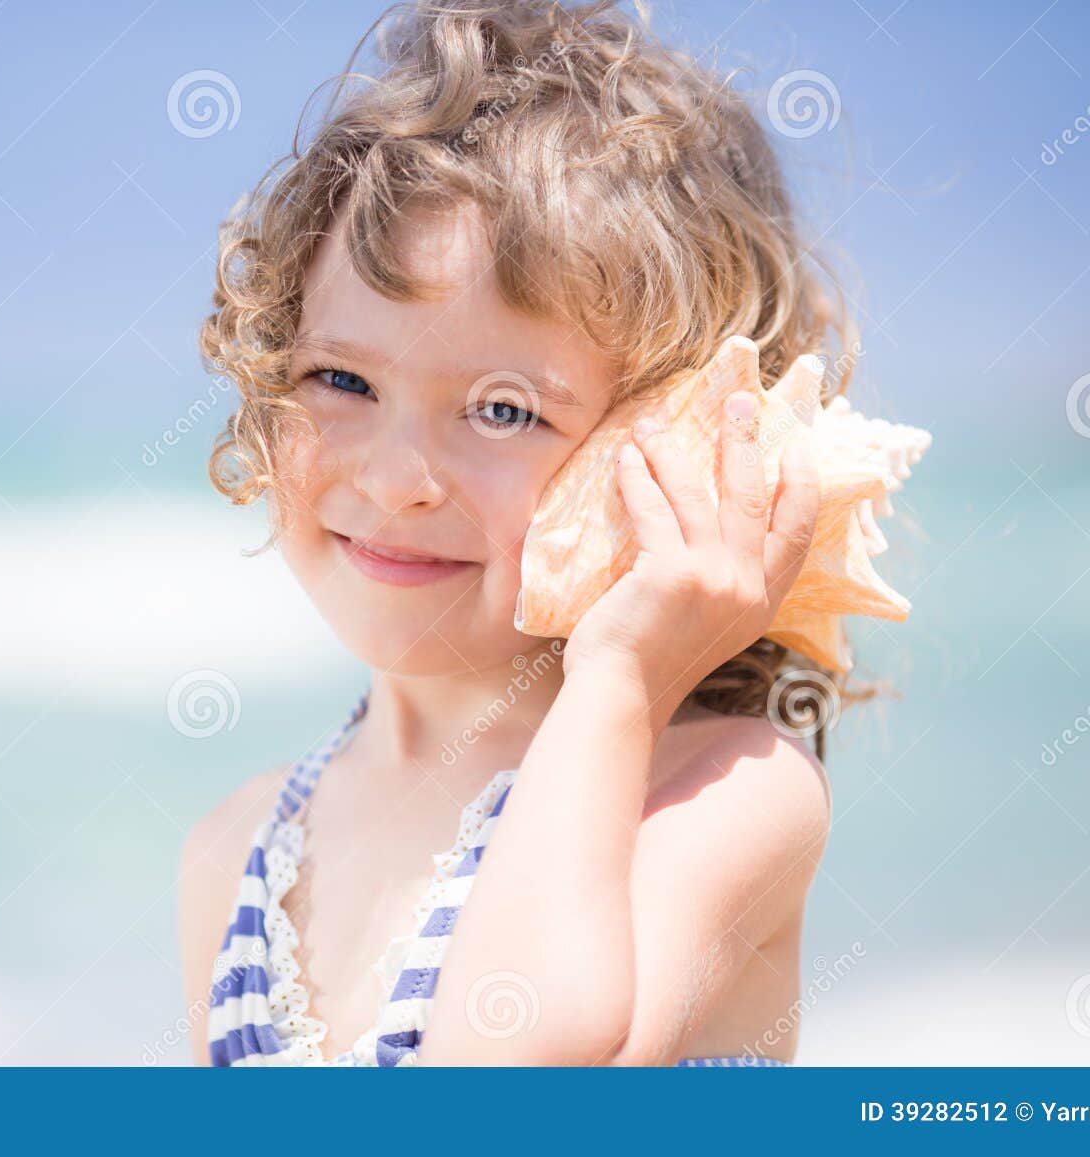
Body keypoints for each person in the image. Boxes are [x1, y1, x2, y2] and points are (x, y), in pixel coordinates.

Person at [180, 0, 856, 1066]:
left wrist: (622, 677)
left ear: (662, 435)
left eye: (503, 408)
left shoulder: (722, 790)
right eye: (340, 378)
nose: (399, 479)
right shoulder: (239, 852)